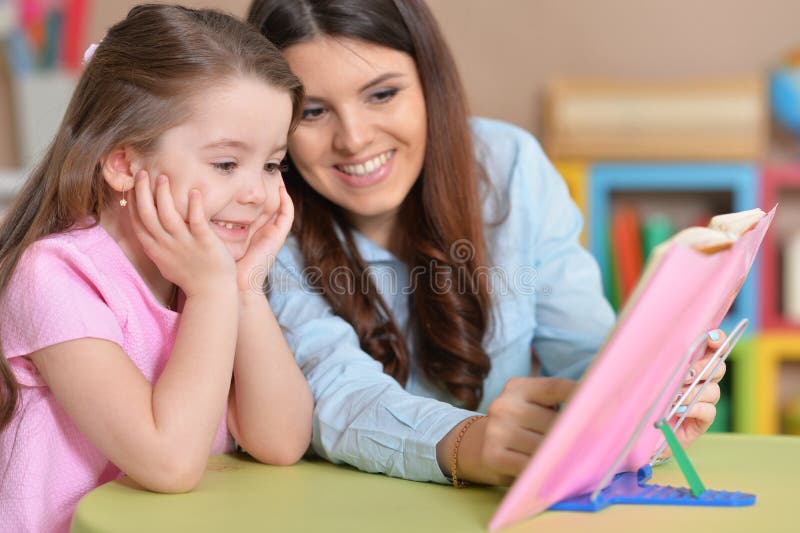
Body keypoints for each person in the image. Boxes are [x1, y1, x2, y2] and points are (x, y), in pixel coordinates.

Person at [248, 0, 726, 488]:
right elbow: (334, 392)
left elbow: (583, 352)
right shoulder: (266, 223)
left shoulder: (509, 166)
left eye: (382, 94)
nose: (353, 139)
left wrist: (644, 407)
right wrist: (465, 442)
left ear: (430, 83)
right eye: (313, 111)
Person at [0, 5, 313, 531]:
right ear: (124, 163)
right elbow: (169, 461)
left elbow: (281, 441)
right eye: (225, 164)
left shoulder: (202, 272)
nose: (258, 193)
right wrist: (214, 293)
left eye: (271, 164)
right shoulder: (54, 275)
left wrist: (244, 288)